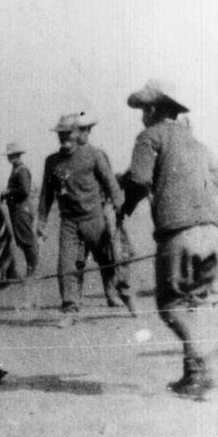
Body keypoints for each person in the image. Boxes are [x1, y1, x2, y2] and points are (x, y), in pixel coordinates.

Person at [120, 80, 218, 399]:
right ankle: (192, 373)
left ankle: (203, 365)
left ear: (152, 109)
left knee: (170, 305)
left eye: (142, 110)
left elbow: (138, 179)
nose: (141, 117)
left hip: (178, 232)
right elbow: (217, 174)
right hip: (213, 232)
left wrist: (124, 207)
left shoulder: (149, 137)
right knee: (194, 303)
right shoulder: (195, 140)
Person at [37, 114, 126, 328]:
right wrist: (41, 222)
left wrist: (118, 205)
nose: (64, 138)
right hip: (69, 221)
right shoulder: (52, 162)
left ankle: (111, 292)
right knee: (66, 264)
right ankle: (70, 308)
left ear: (77, 133)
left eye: (68, 134)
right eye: (61, 134)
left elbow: (111, 183)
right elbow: (46, 195)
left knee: (107, 258)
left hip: (94, 217)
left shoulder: (94, 155)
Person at [72, 113, 137, 315]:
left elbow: (110, 183)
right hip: (76, 214)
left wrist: (114, 207)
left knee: (106, 254)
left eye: (85, 130)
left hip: (99, 211)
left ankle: (110, 294)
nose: (82, 134)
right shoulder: (65, 159)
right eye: (78, 130)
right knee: (78, 258)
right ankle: (76, 298)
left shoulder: (98, 154)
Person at [0, 142, 38, 284]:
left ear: (18, 155)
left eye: (13, 155)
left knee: (27, 240)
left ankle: (32, 271)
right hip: (17, 209)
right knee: (23, 239)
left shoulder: (21, 170)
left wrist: (8, 192)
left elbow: (24, 191)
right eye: (10, 155)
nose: (10, 158)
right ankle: (30, 270)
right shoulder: (16, 169)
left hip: (22, 209)